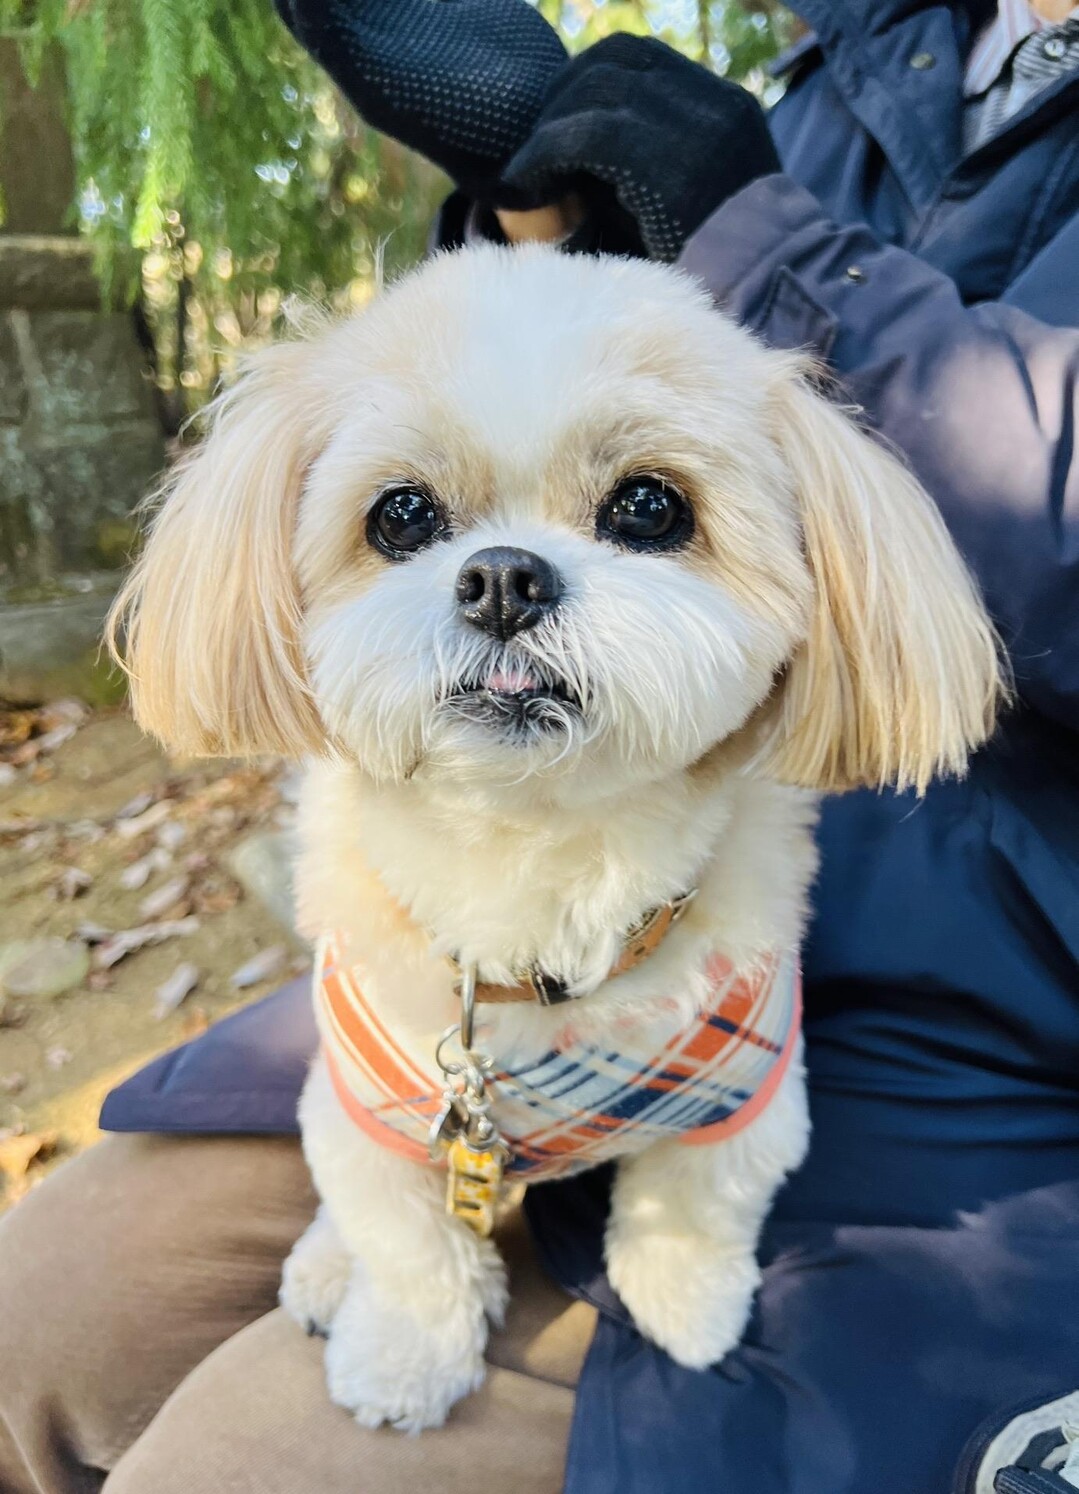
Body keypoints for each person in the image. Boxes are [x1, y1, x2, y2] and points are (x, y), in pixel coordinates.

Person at [1, 1, 1076, 1489]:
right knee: (30, 1321)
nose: (499, 585)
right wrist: (525, 226)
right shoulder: (847, 63)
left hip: (988, 1004)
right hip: (446, 950)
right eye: (407, 523)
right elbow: (550, 372)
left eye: (641, 509)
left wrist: (752, 233)